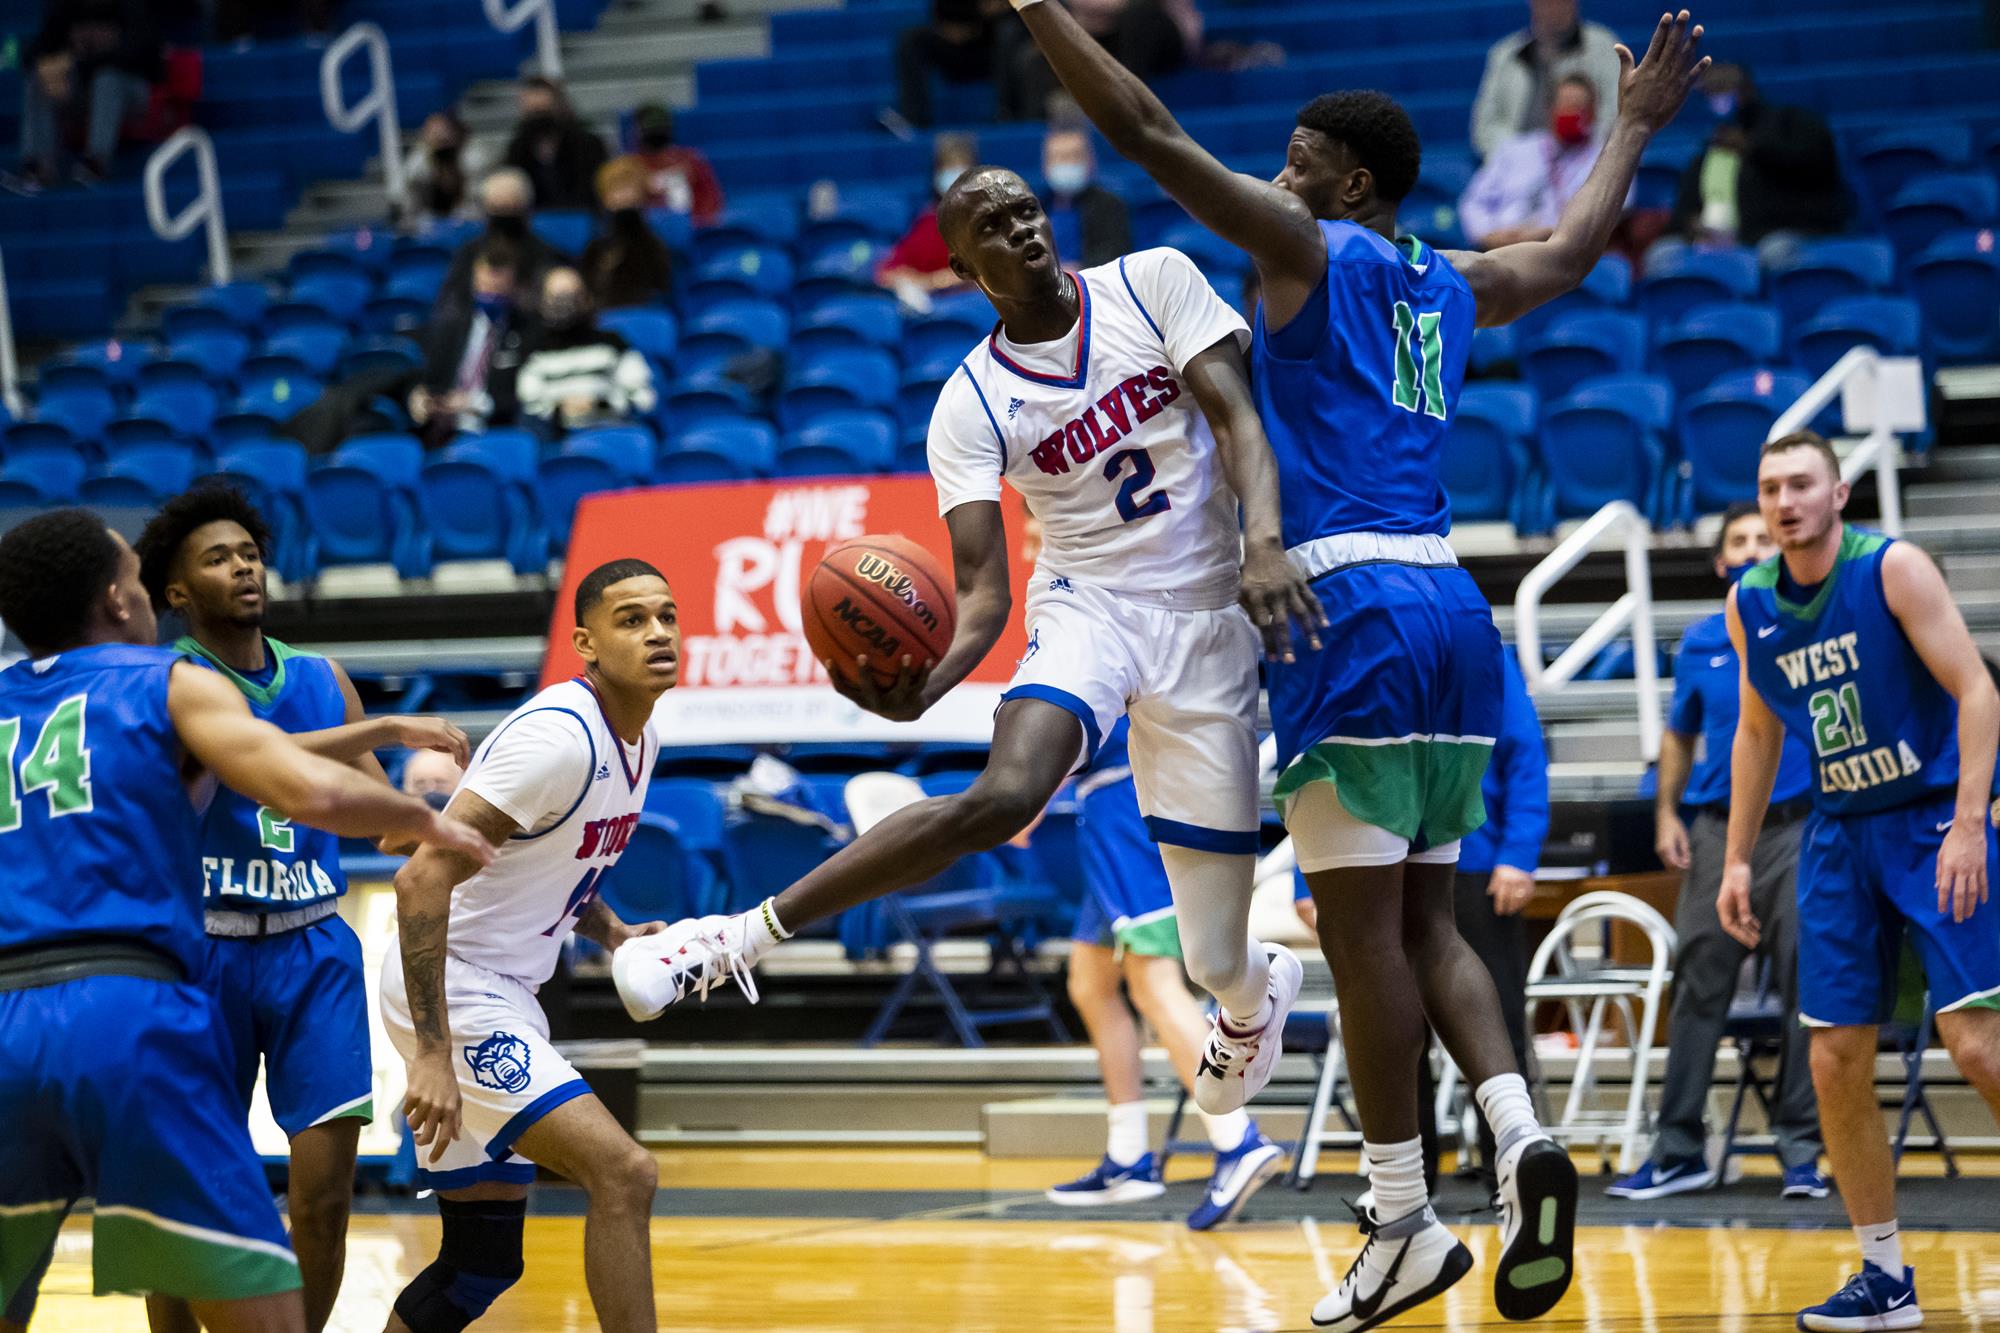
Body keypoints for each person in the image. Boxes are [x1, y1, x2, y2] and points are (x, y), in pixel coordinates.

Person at [1005, 2, 1708, 1326]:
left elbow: (1150, 135)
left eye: (1296, 159)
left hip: (1347, 609)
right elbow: (1564, 251)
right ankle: (1519, 1135)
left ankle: (1401, 1213)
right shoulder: (1450, 278)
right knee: (1425, 923)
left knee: (1355, 930)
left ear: (1353, 183)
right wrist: (1630, 129)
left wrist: (1044, 9)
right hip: (1455, 612)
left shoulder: (1310, 250)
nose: (1278, 176)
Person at [625, 171, 1329, 1154]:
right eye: (993, 227)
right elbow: (985, 593)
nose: (1021, 229)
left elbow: (1238, 420)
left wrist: (1264, 543)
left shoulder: (1151, 282)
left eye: (1026, 211)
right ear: (963, 269)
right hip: (1091, 610)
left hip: (1211, 615)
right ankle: (735, 936)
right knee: (1004, 793)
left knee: (1213, 957)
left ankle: (1250, 999)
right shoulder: (969, 402)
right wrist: (930, 682)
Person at [0, 509, 488, 1333]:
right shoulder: (163, 679)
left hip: (18, 1004)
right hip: (138, 998)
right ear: (126, 599)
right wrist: (429, 816)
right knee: (222, 1272)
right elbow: (306, 785)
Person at [126, 486, 471, 1333]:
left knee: (321, 1199)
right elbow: (257, 755)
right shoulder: (163, 686)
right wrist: (384, 727)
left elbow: (379, 816)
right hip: (200, 955)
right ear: (174, 591)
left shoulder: (322, 678)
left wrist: (470, 817)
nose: (242, 566)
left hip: (313, 949)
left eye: (249, 551)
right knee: (186, 1194)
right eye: (217, 557)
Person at [1722, 431, 2000, 1331]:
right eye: (1770, 488)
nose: (1784, 500)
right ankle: (1884, 1276)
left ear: (1839, 493)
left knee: (1976, 1045)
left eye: (1801, 483)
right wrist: (1734, 856)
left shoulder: (1895, 569)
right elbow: (1757, 733)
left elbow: (1978, 690)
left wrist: (1968, 821)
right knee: (1834, 1056)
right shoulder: (1749, 602)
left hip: (1929, 821)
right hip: (1839, 832)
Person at [383, 560, 690, 1333]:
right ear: (584, 642)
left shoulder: (640, 737)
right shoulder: (559, 737)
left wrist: (613, 930)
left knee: (481, 1262)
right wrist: (432, 1052)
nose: (657, 632)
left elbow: (557, 864)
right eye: (631, 619)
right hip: (455, 986)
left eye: (666, 615)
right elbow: (422, 880)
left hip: (502, 987)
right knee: (625, 1172)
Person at [1608, 502, 1824, 1203]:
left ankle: (1800, 1149)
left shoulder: (1812, 624)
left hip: (1801, 827)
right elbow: (1679, 734)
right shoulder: (1701, 639)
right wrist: (1666, 809)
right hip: (1715, 828)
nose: (1753, 546)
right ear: (1720, 560)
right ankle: (1677, 1149)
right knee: (1698, 981)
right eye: (1739, 540)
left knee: (1805, 984)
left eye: (1763, 536)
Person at [1045, 721, 1287, 1230]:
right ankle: (1128, 1157)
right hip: (1106, 809)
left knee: (1155, 985)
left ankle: (1237, 1140)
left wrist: (1026, 791)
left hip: (1130, 801)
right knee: (1090, 986)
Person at [1415, 650, 1549, 1191]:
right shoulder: (1371, 645)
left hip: (1474, 868)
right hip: (1383, 869)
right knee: (1394, 1026)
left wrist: (1518, 852)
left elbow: (1523, 751)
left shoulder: (1486, 652)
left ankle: (1509, 1165)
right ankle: (1406, 1176)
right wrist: (1309, 881)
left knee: (1498, 1022)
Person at [1663, 63, 1846, 264]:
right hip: (1710, 239)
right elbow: (1684, 210)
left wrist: (1752, 147)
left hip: (1776, 233)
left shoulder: (1788, 124)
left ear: (1746, 87)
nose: (1718, 97)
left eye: (1724, 87)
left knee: (1774, 251)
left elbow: (1814, 167)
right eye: (1711, 90)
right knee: (1664, 253)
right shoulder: (1708, 151)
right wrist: (1692, 224)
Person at [4, 0, 162, 195]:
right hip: (82, 95)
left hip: (132, 94)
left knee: (107, 79)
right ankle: (38, 167)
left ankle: (96, 164)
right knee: (41, 77)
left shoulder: (132, 6)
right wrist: (59, 59)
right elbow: (38, 48)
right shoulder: (65, 7)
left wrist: (95, 57)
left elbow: (149, 54)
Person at [1458, 75, 1614, 251]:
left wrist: (1548, 233)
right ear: (1550, 110)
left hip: (1559, 252)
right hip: (1498, 247)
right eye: (1565, 104)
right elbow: (1473, 202)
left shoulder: (1605, 159)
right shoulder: (1515, 149)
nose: (1571, 111)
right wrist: (1488, 235)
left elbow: (1608, 216)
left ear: (1593, 113)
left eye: (1578, 106)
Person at [412, 239, 532, 447]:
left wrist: (473, 403)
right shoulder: (452, 328)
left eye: (498, 288)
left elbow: (524, 396)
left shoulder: (526, 331)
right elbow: (427, 378)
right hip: (445, 429)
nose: (490, 295)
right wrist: (419, 396)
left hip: (494, 431)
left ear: (515, 286)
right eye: (484, 286)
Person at [998, 0, 1200, 122]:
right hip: (1093, 28)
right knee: (1029, 48)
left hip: (1157, 33)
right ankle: (1028, 127)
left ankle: (1130, 102)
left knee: (1139, 14)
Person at [1470, 0, 1623, 161]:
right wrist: (1523, 153)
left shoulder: (1604, 47)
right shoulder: (1504, 55)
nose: (1556, 7)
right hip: (1517, 167)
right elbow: (1484, 127)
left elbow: (1617, 114)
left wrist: (1578, 149)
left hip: (1585, 163)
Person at [517, 267, 659, 434]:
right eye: (556, 298)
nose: (564, 305)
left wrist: (599, 405)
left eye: (571, 296)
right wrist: (561, 409)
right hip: (558, 444)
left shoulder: (613, 344)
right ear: (542, 302)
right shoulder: (535, 353)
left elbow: (645, 399)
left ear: (586, 298)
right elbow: (529, 407)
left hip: (610, 434)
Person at [433, 169, 570, 320]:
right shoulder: (468, 253)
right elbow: (450, 305)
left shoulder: (547, 255)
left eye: (511, 209)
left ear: (526, 211)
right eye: (497, 209)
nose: (504, 220)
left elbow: (547, 307)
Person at [876, 133, 983, 303]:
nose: (954, 177)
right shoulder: (927, 221)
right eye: (947, 169)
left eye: (960, 168)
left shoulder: (989, 221)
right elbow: (887, 273)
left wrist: (933, 281)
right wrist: (913, 280)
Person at [893, 0, 1010, 131]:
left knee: (1008, 35)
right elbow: (943, 11)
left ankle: (1006, 116)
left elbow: (1015, 13)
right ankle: (914, 122)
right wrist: (977, 12)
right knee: (911, 39)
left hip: (991, 47)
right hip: (953, 44)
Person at [579, 157, 676, 310]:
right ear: (605, 198)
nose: (623, 198)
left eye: (628, 189)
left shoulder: (654, 245)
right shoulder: (596, 247)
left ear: (641, 195)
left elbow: (661, 285)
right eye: (615, 190)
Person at [503, 76, 609, 214]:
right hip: (535, 221)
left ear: (559, 106)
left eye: (544, 111)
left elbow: (593, 189)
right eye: (533, 112)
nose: (539, 120)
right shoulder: (518, 148)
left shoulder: (588, 144)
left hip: (582, 216)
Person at [1044, 123, 1133, 269]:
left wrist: (1077, 270)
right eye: (1059, 157)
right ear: (1046, 164)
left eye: (1074, 155)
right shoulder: (1038, 206)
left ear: (1090, 161)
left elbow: (1117, 256)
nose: (1067, 163)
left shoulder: (1111, 206)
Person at [624, 103, 724, 227]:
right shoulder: (627, 167)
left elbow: (711, 206)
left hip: (689, 232)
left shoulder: (692, 161)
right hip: (646, 236)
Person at [402, 110, 496, 227]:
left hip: (471, 219)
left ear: (455, 132)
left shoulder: (473, 157)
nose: (438, 135)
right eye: (432, 131)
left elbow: (477, 200)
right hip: (431, 219)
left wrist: (458, 220)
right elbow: (411, 201)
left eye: (443, 130)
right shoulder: (419, 160)